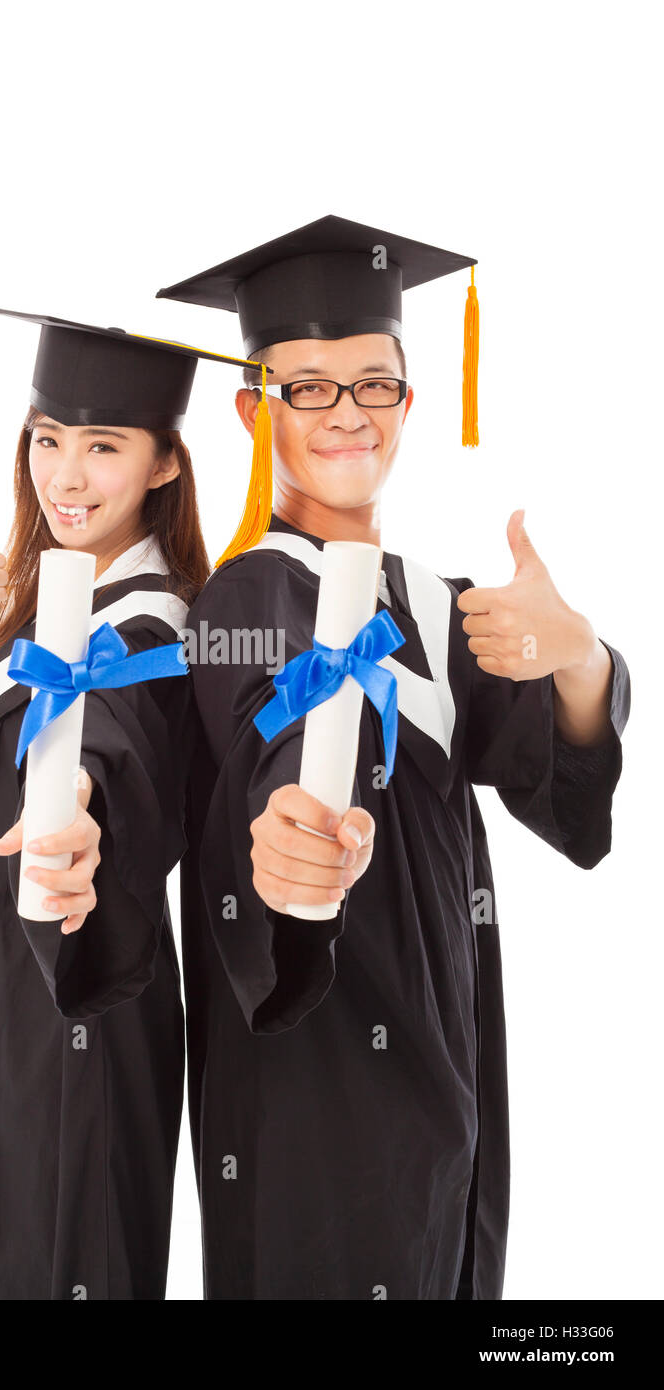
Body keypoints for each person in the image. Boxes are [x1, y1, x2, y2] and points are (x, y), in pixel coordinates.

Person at [158, 215, 631, 1300]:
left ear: (409, 401)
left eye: (373, 384)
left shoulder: (438, 603)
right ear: (252, 406)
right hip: (313, 1087)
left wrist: (577, 661)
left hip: (446, 1068)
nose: (345, 414)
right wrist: (291, 840)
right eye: (308, 387)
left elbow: (557, 790)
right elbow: (266, 727)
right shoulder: (244, 594)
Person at [0, 302, 264, 1300]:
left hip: (78, 1025)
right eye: (47, 439)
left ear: (163, 463)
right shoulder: (11, 624)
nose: (64, 474)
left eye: (102, 445)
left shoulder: (160, 632)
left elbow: (125, 758)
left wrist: (75, 801)